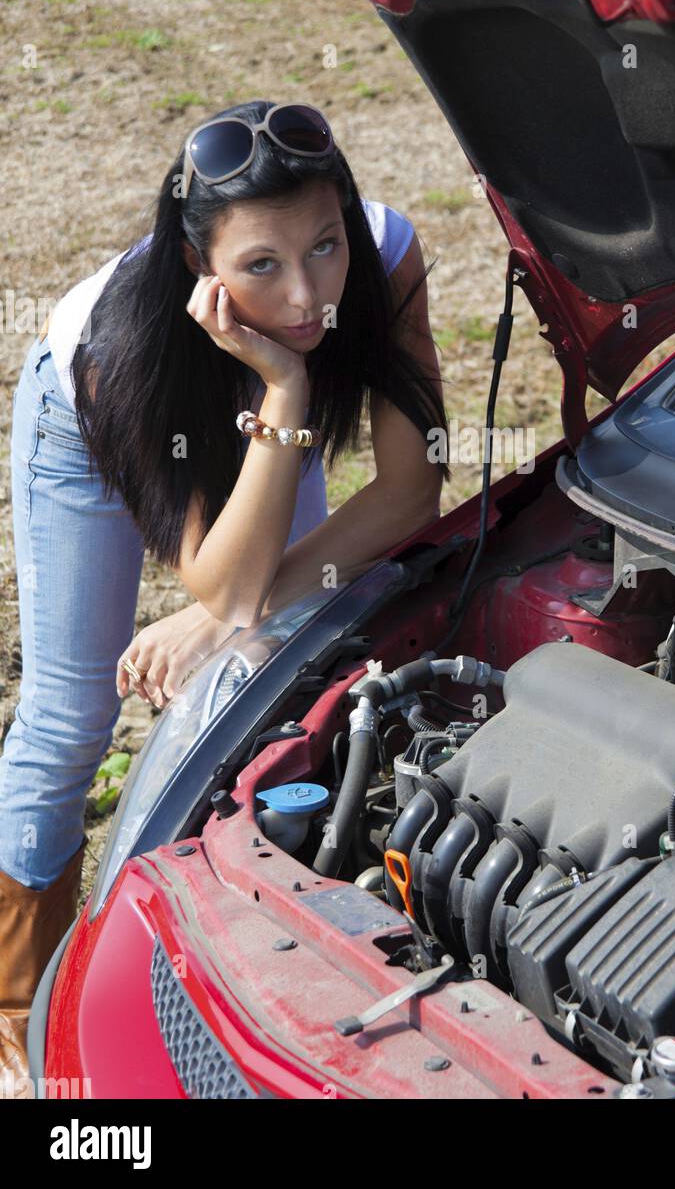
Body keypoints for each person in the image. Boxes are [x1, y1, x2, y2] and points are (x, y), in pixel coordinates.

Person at [0, 100, 448, 1092]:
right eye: (261, 266)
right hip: (95, 428)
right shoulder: (124, 340)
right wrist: (287, 391)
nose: (306, 295)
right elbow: (230, 576)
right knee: (72, 720)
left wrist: (219, 618)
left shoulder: (389, 258)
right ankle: (15, 1010)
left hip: (248, 442)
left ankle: (243, 949)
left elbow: (413, 490)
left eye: (325, 246)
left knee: (280, 661)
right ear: (201, 264)